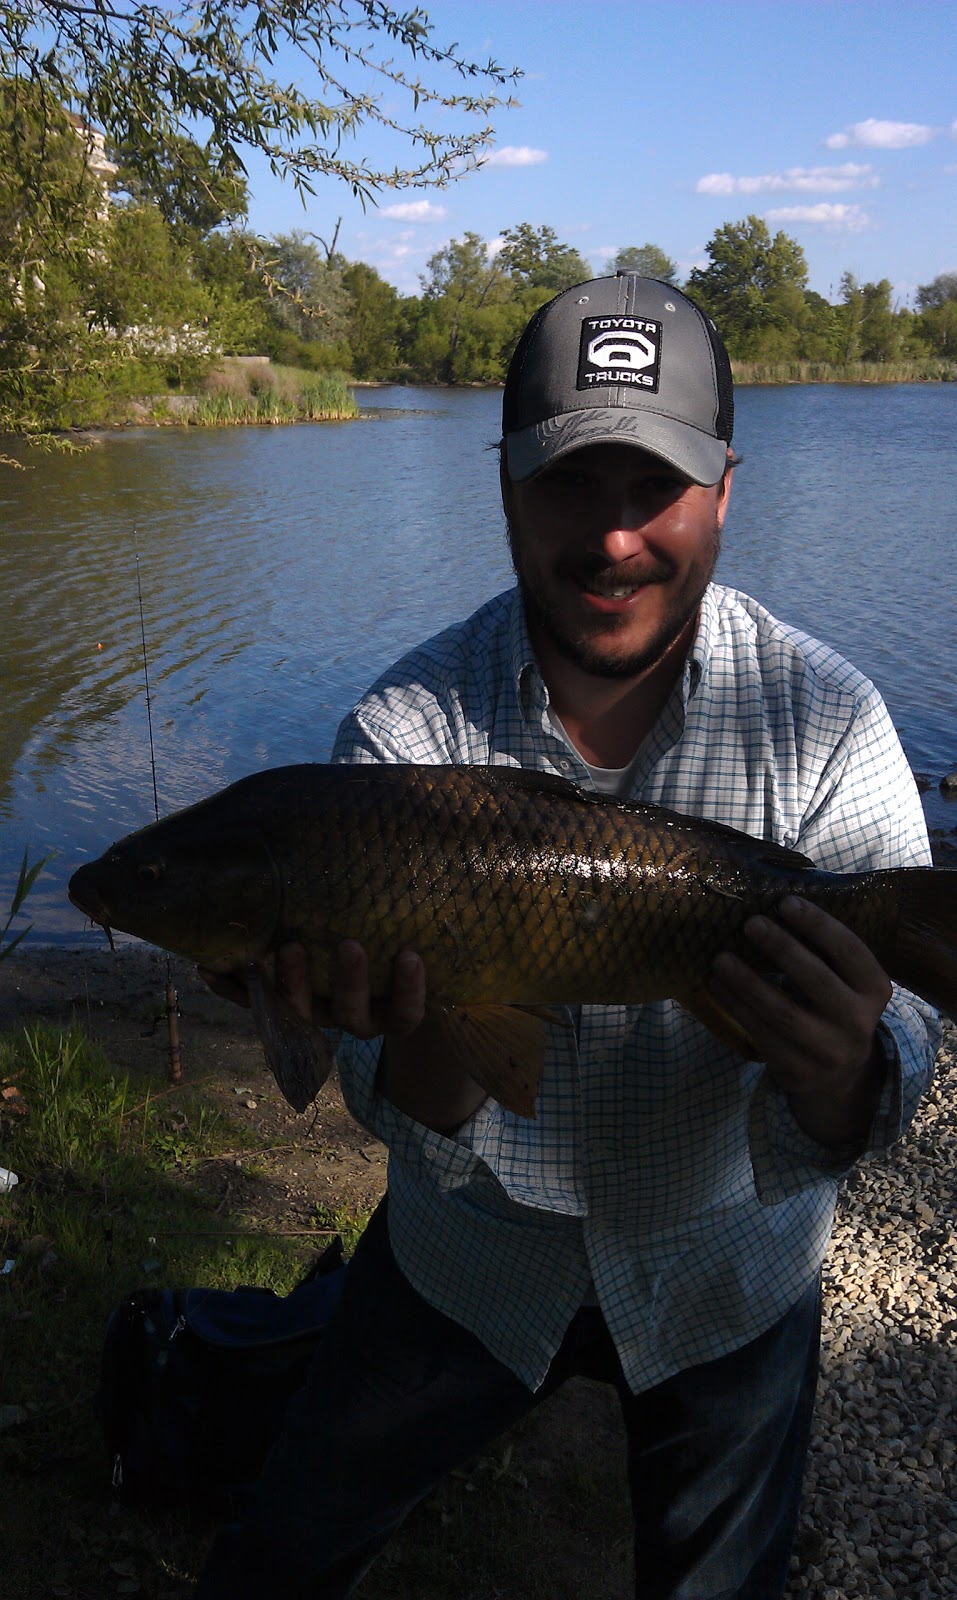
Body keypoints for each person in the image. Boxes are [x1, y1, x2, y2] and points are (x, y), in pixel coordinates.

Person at [196, 275, 938, 1600]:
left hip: (726, 1286)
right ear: (500, 484)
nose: (611, 542)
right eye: (566, 485)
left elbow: (899, 1064)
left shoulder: (826, 722)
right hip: (464, 1268)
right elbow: (400, 1102)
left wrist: (838, 1066)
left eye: (648, 489)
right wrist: (416, 1047)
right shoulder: (402, 734)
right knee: (280, 1559)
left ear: (724, 489)